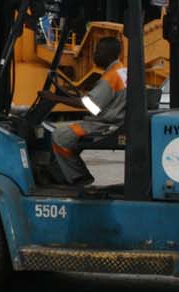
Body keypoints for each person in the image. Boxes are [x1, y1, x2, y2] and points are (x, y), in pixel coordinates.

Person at [48, 37, 127, 187]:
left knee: (59, 136)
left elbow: (90, 105)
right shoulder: (121, 71)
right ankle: (63, 172)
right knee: (68, 136)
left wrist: (56, 98)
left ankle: (79, 177)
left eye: (98, 51)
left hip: (104, 125)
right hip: (115, 120)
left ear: (109, 54)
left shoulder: (110, 77)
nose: (94, 55)